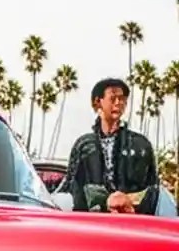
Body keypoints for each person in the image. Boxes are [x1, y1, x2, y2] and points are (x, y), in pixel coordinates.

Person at [60, 78, 159, 214]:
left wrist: (128, 202)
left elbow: (152, 188)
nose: (118, 103)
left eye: (122, 99)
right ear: (98, 102)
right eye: (113, 98)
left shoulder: (140, 145)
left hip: (131, 220)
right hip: (92, 222)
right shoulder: (83, 146)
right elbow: (73, 187)